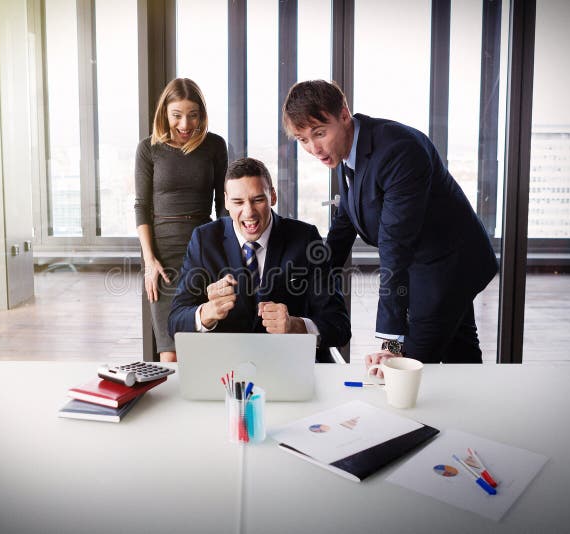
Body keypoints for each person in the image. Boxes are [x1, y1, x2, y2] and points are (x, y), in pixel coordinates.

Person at [282, 80, 498, 367]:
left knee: (408, 369)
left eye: (319, 134)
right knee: (462, 355)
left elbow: (394, 249)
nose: (314, 148)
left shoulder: (398, 151)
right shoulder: (345, 151)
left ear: (344, 115)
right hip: (433, 264)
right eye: (303, 140)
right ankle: (477, 408)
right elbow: (344, 224)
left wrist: (391, 343)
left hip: (446, 266)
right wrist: (305, 286)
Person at [168, 157, 350, 362]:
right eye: (238, 202)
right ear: (226, 201)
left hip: (289, 365)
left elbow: (339, 326)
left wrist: (295, 326)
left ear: (272, 196)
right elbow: (175, 321)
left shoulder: (306, 238)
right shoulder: (204, 240)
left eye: (258, 200)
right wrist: (206, 314)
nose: (249, 212)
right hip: (225, 368)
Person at [135, 78, 228, 362]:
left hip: (203, 249)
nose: (185, 124)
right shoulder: (149, 149)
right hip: (161, 256)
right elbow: (142, 206)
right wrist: (149, 261)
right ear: (165, 113)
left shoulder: (215, 145)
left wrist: (224, 257)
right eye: (177, 115)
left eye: (193, 115)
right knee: (170, 352)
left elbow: (223, 206)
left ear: (202, 115)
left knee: (201, 344)